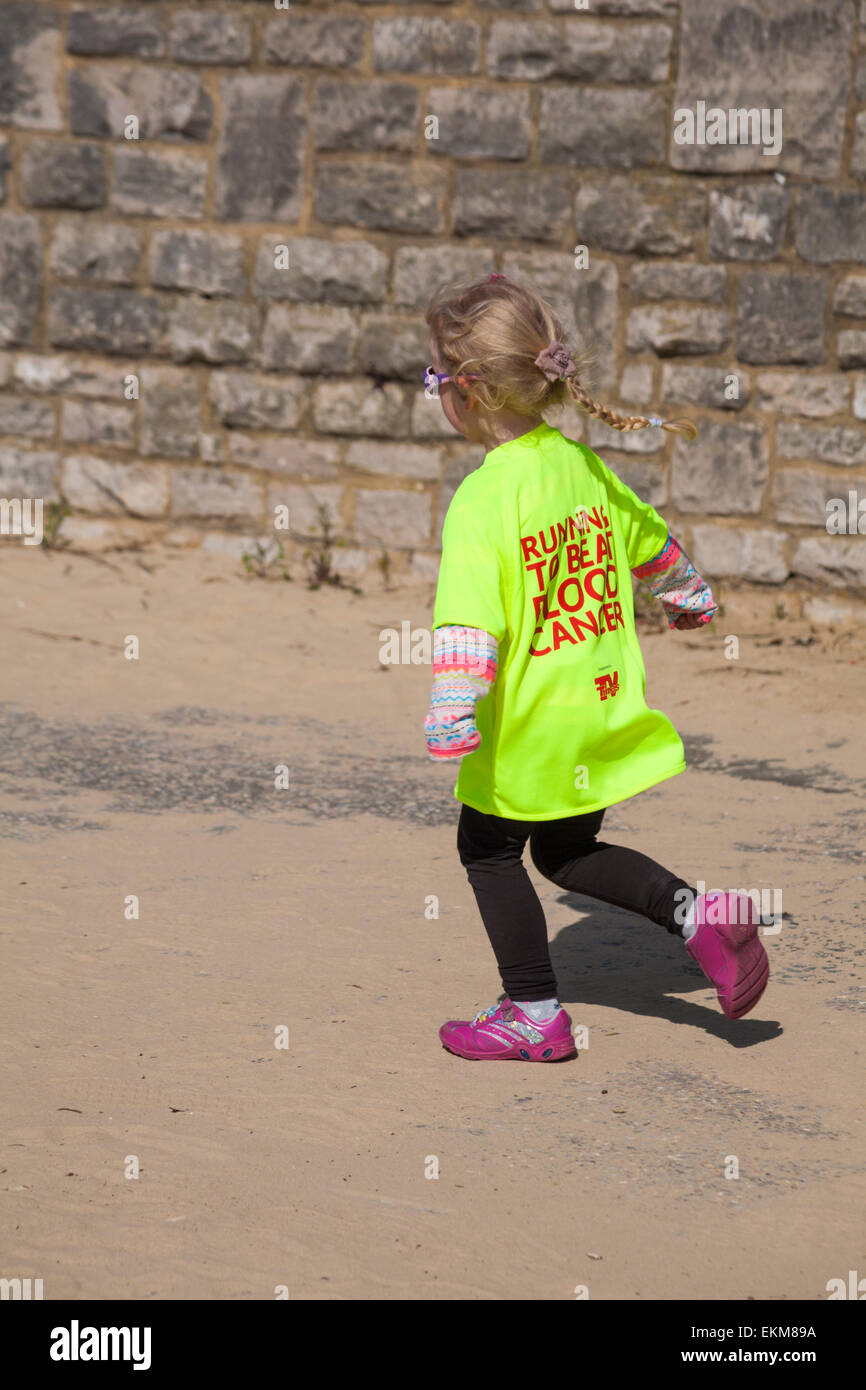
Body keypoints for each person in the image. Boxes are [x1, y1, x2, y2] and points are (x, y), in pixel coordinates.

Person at [422, 273, 769, 1062]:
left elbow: (469, 621)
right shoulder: (580, 467)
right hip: (596, 710)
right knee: (565, 851)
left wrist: (452, 710)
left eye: (435, 377)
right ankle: (698, 913)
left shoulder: (483, 498)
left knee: (489, 849)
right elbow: (652, 540)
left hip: (531, 728)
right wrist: (688, 595)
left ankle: (534, 1011)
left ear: (467, 392)